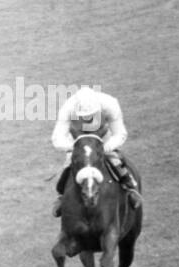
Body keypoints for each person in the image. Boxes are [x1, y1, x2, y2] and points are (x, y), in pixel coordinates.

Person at [51, 86, 142, 215]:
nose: (88, 117)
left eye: (91, 115)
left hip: (103, 137)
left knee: (113, 158)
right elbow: (57, 138)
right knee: (69, 163)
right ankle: (61, 196)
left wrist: (104, 148)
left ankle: (130, 188)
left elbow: (120, 134)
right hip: (79, 139)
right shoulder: (68, 108)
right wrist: (78, 149)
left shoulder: (110, 104)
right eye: (84, 116)